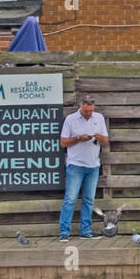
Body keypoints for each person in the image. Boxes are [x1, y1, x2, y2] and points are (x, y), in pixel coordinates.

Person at [58, 94, 109, 241]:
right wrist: (79, 138)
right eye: (86, 111)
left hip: (93, 165)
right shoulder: (71, 119)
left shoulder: (98, 118)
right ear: (80, 107)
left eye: (91, 111)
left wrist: (99, 136)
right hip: (75, 165)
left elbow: (105, 141)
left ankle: (85, 231)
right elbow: (63, 142)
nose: (88, 114)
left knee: (89, 200)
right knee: (70, 199)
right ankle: (64, 232)